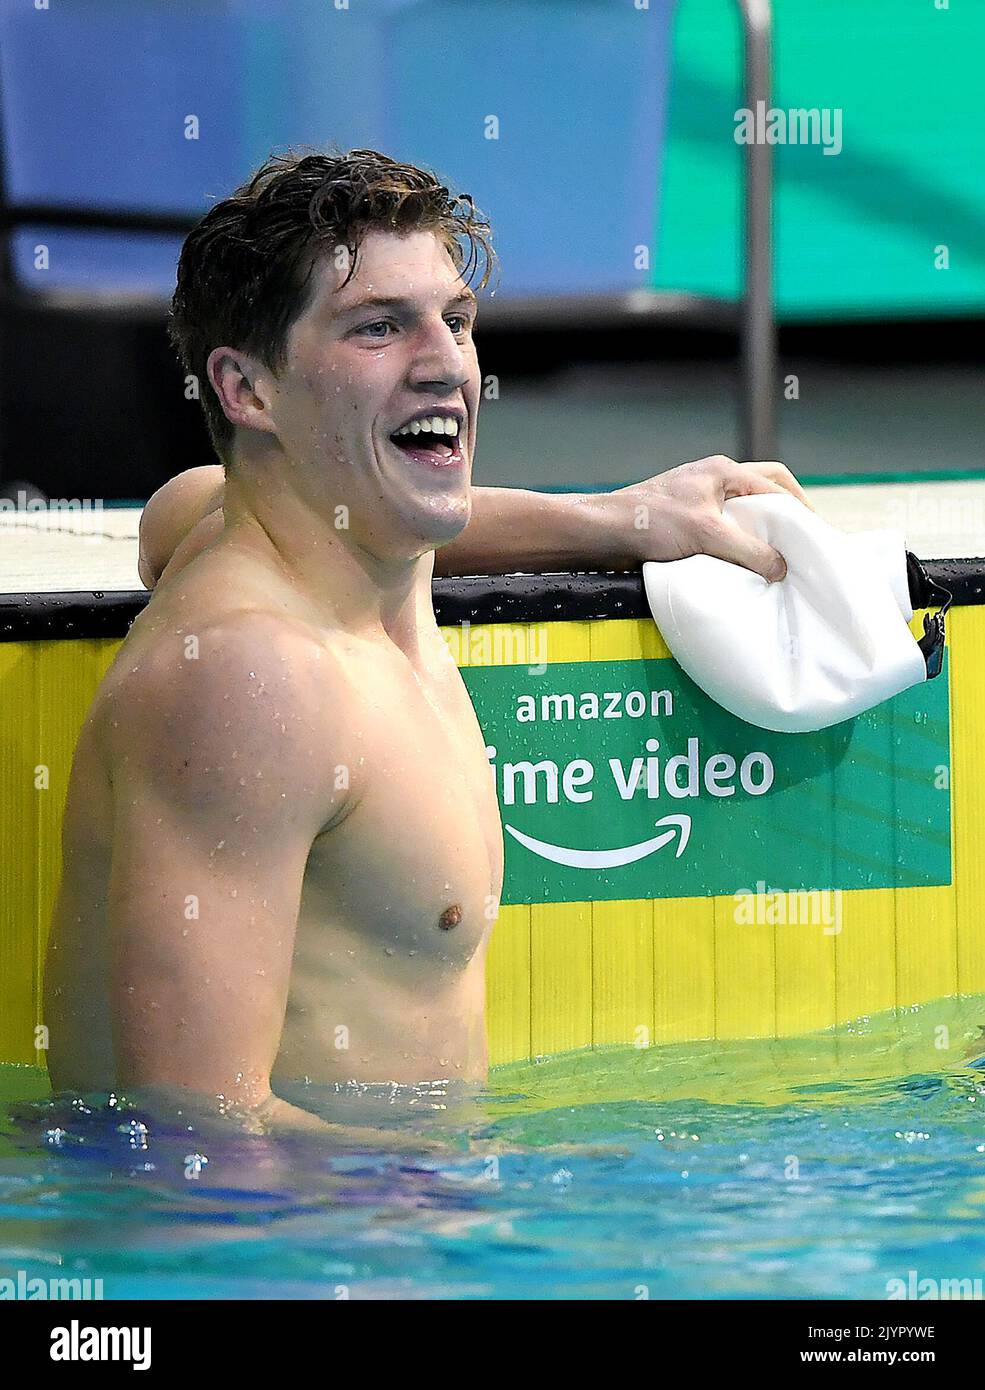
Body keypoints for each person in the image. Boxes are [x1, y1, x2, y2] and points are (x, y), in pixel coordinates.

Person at [45, 149, 809, 1134]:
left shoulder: (245, 533)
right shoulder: (253, 675)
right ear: (246, 390)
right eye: (377, 328)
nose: (445, 360)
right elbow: (193, 1131)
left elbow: (238, 501)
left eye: (453, 319)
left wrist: (611, 519)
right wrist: (470, 1216)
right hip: (294, 1256)